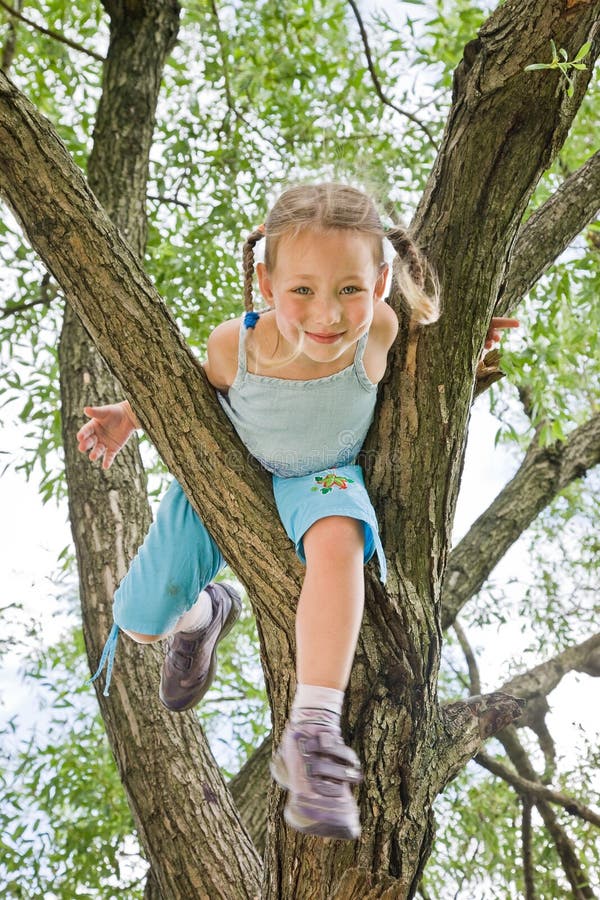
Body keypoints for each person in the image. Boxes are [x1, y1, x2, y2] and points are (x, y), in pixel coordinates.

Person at [77, 182, 517, 840]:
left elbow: (430, 354)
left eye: (349, 290)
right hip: (230, 464)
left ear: (380, 285)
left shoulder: (383, 332)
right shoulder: (238, 346)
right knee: (141, 624)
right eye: (302, 290)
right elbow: (191, 385)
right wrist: (129, 417)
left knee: (340, 540)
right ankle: (206, 612)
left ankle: (313, 731)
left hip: (321, 478)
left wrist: (469, 350)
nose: (328, 314)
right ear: (265, 282)